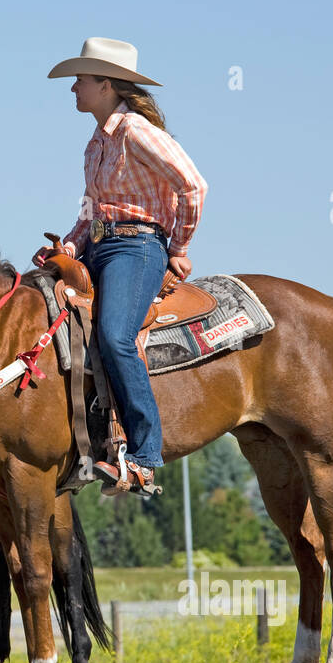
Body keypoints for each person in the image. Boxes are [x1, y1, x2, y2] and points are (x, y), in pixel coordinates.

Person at [36, 37, 208, 496]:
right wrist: (69, 248)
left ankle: (145, 455)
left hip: (137, 248)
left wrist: (178, 247)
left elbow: (193, 185)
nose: (73, 88)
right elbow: (91, 210)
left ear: (106, 85)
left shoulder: (135, 132)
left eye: (81, 80)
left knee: (114, 334)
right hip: (98, 246)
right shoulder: (95, 144)